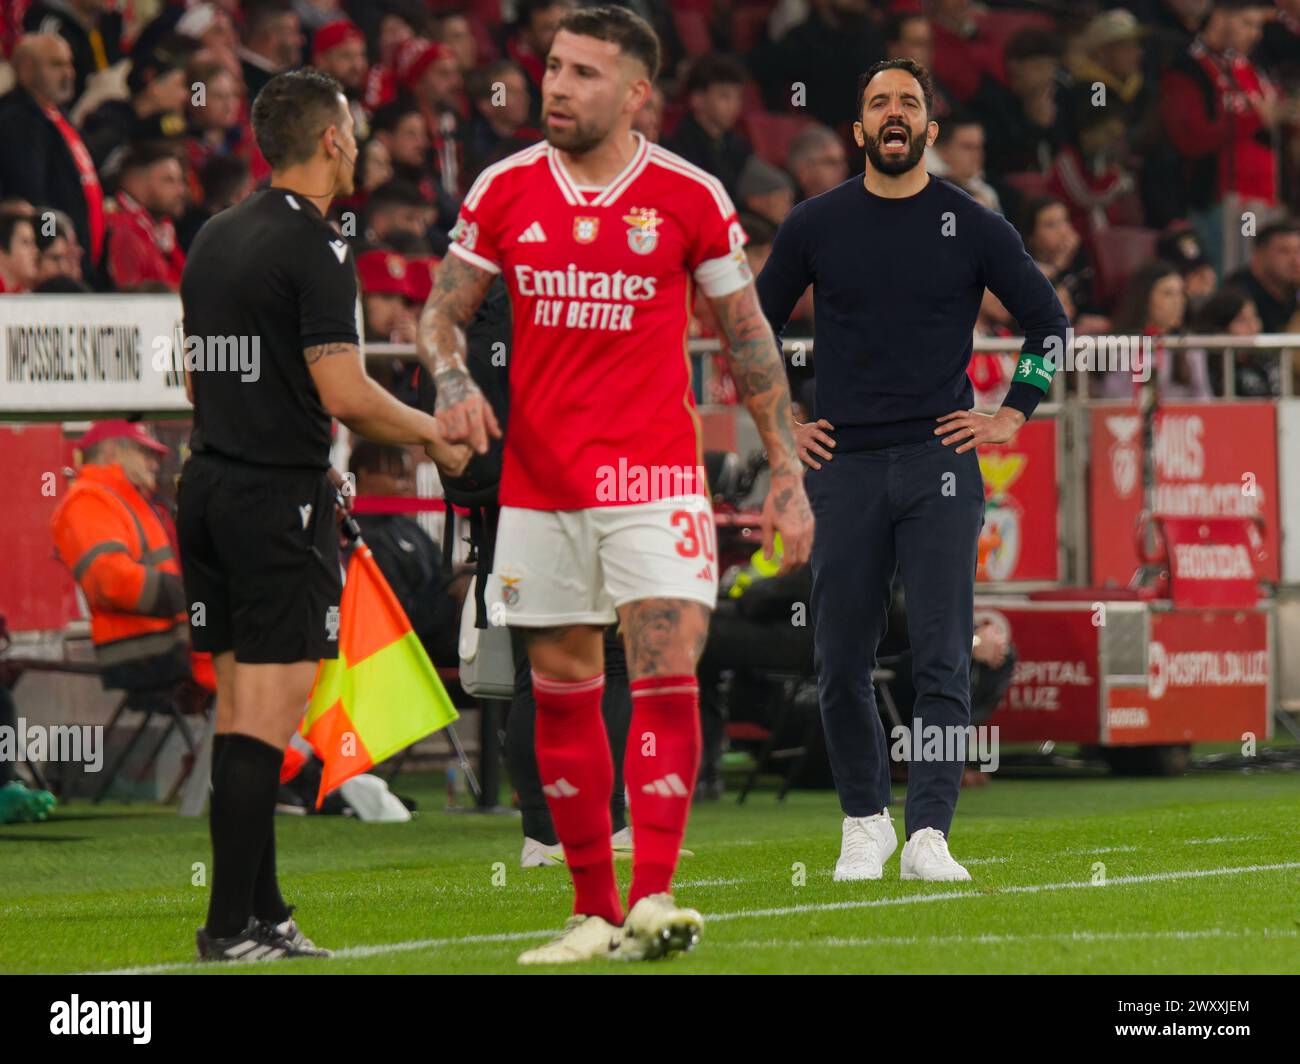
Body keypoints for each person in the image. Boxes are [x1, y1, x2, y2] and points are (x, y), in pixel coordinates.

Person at [418, 5, 812, 963]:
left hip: (653, 477)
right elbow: (440, 311)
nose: (557, 87)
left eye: (584, 73)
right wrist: (453, 377)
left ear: (637, 91)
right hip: (540, 486)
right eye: (553, 68)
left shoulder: (688, 194)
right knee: (560, 691)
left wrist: (790, 471)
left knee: (667, 666)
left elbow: (747, 336)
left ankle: (656, 897)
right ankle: (592, 914)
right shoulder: (505, 188)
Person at [176, 68, 468, 964]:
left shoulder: (213, 236)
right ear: (333, 140)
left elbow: (195, 377)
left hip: (210, 488)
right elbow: (345, 392)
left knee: (242, 710)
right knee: (268, 714)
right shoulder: (318, 247)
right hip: (274, 499)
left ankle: (262, 911)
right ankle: (227, 927)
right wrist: (438, 433)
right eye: (353, 129)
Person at [757, 58, 1067, 884]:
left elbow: (1050, 327)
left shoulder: (974, 224)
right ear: (859, 129)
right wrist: (783, 419)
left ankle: (929, 829)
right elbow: (750, 324)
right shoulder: (814, 224)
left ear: (929, 128)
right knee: (839, 654)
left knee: (941, 653)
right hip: (844, 462)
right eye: (878, 103)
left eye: (909, 103)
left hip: (941, 460)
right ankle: (865, 821)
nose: (894, 114)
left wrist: (1011, 413)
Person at [347, 442, 469, 668]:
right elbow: (397, 617)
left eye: (408, 477)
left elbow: (442, 575)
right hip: (404, 652)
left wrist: (463, 577)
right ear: (365, 475)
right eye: (399, 476)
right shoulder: (358, 537)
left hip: (441, 639)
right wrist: (453, 594)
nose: (408, 485)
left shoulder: (410, 528)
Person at [0, 34, 106, 284]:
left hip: (78, 259)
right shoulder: (18, 120)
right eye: (56, 64)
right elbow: (32, 194)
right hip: (55, 265)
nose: (68, 72)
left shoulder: (57, 116)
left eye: (69, 64)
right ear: (26, 69)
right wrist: (49, 238)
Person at [663, 53, 753, 202]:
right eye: (725, 96)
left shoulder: (738, 144)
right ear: (698, 100)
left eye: (738, 97)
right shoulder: (681, 147)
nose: (735, 105)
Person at [103, 144, 188, 292]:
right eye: (169, 181)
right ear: (135, 183)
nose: (182, 190)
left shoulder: (161, 229)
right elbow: (131, 302)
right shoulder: (123, 230)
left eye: (181, 181)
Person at [1222, 219, 1300, 333]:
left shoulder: (1293, 293)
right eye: (1284, 251)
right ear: (1258, 255)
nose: (1296, 261)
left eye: (1298, 251)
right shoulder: (1235, 298)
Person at [0, 212, 39, 293]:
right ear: (2, 252)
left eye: (33, 243)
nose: (35, 251)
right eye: (25, 243)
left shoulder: (26, 297)